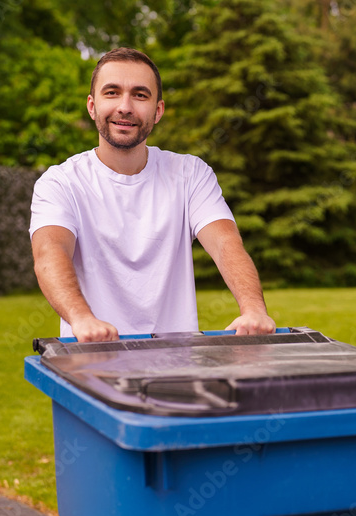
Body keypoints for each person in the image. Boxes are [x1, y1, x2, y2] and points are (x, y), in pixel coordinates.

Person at [29, 48, 275, 341]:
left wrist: (254, 309)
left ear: (158, 111)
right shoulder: (60, 182)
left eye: (140, 95)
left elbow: (225, 243)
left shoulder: (190, 174)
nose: (125, 106)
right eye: (112, 93)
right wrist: (82, 319)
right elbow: (50, 253)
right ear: (92, 106)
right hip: (92, 358)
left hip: (178, 366)